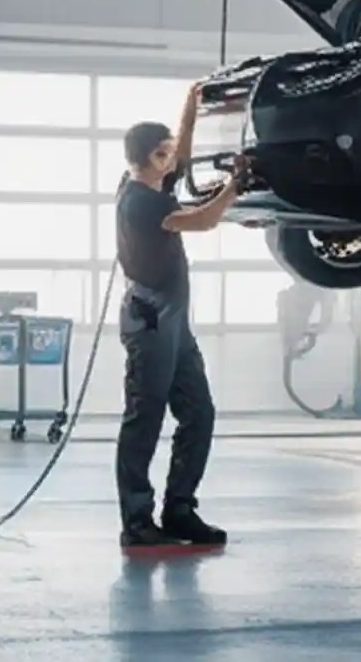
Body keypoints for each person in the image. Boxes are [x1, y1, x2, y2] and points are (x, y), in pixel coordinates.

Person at [114, 82, 247, 549]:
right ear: (149, 159)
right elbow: (205, 220)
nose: (173, 159)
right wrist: (236, 185)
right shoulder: (144, 201)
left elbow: (184, 157)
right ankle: (136, 522)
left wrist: (192, 106)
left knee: (199, 413)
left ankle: (180, 510)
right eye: (165, 154)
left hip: (173, 323)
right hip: (150, 323)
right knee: (144, 420)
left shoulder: (142, 182)